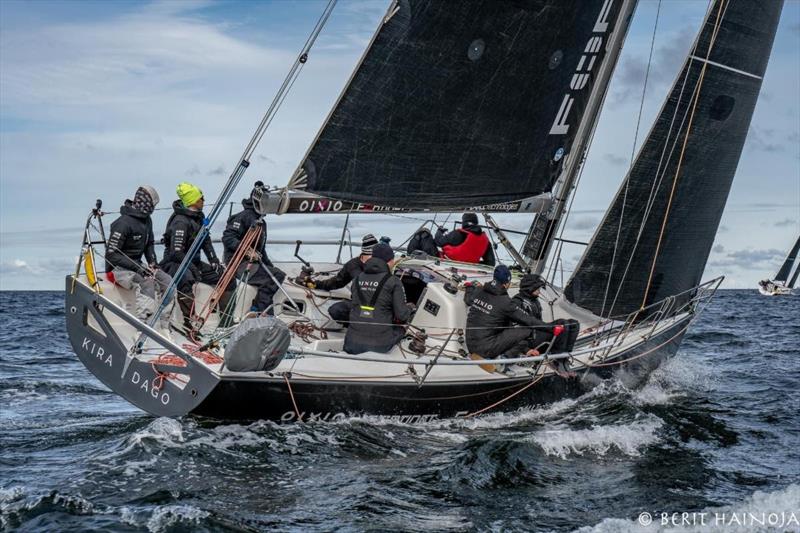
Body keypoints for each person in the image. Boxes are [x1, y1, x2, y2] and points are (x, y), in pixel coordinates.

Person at [160, 182, 234, 329]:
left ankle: (226, 323)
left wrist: (214, 260)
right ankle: (190, 322)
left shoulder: (199, 217)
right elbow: (176, 253)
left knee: (228, 278)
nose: (204, 201)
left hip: (194, 262)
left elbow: (205, 239)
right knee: (185, 279)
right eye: (201, 198)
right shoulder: (180, 222)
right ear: (193, 200)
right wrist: (193, 268)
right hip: (175, 262)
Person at [105, 185, 173, 326]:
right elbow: (111, 255)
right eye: (153, 204)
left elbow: (149, 244)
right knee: (146, 282)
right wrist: (138, 268)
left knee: (167, 280)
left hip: (137, 265)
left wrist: (153, 263)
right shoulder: (122, 223)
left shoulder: (147, 221)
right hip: (117, 269)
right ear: (145, 202)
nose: (154, 207)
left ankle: (165, 325)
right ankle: (143, 326)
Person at [464, 265, 556, 359]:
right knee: (526, 328)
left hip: (470, 345)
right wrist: (552, 328)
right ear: (506, 283)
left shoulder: (480, 290)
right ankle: (505, 358)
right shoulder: (505, 302)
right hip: (485, 350)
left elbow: (468, 300)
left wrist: (469, 287)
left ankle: (513, 352)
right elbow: (528, 320)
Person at [222, 181, 285, 314]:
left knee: (278, 273)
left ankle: (258, 308)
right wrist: (247, 250)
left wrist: (271, 267)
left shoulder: (261, 222)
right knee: (276, 276)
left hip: (252, 263)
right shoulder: (243, 217)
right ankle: (260, 311)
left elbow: (261, 251)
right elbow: (228, 238)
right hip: (237, 264)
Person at [343, 243, 414, 354]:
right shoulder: (393, 281)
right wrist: (410, 308)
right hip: (380, 345)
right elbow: (402, 315)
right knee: (402, 329)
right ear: (389, 261)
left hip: (351, 344)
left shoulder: (356, 279)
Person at [300, 234, 379, 325]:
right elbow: (338, 281)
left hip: (378, 309)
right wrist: (316, 284)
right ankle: (356, 327)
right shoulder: (353, 265)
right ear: (364, 253)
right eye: (371, 255)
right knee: (336, 310)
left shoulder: (383, 266)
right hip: (359, 307)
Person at [512, 273, 580, 355]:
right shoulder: (517, 303)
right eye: (537, 289)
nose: (539, 292)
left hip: (537, 333)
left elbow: (539, 322)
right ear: (530, 288)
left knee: (574, 324)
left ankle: (566, 354)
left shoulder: (534, 300)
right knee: (563, 324)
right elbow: (513, 331)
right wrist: (526, 350)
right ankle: (556, 357)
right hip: (529, 340)